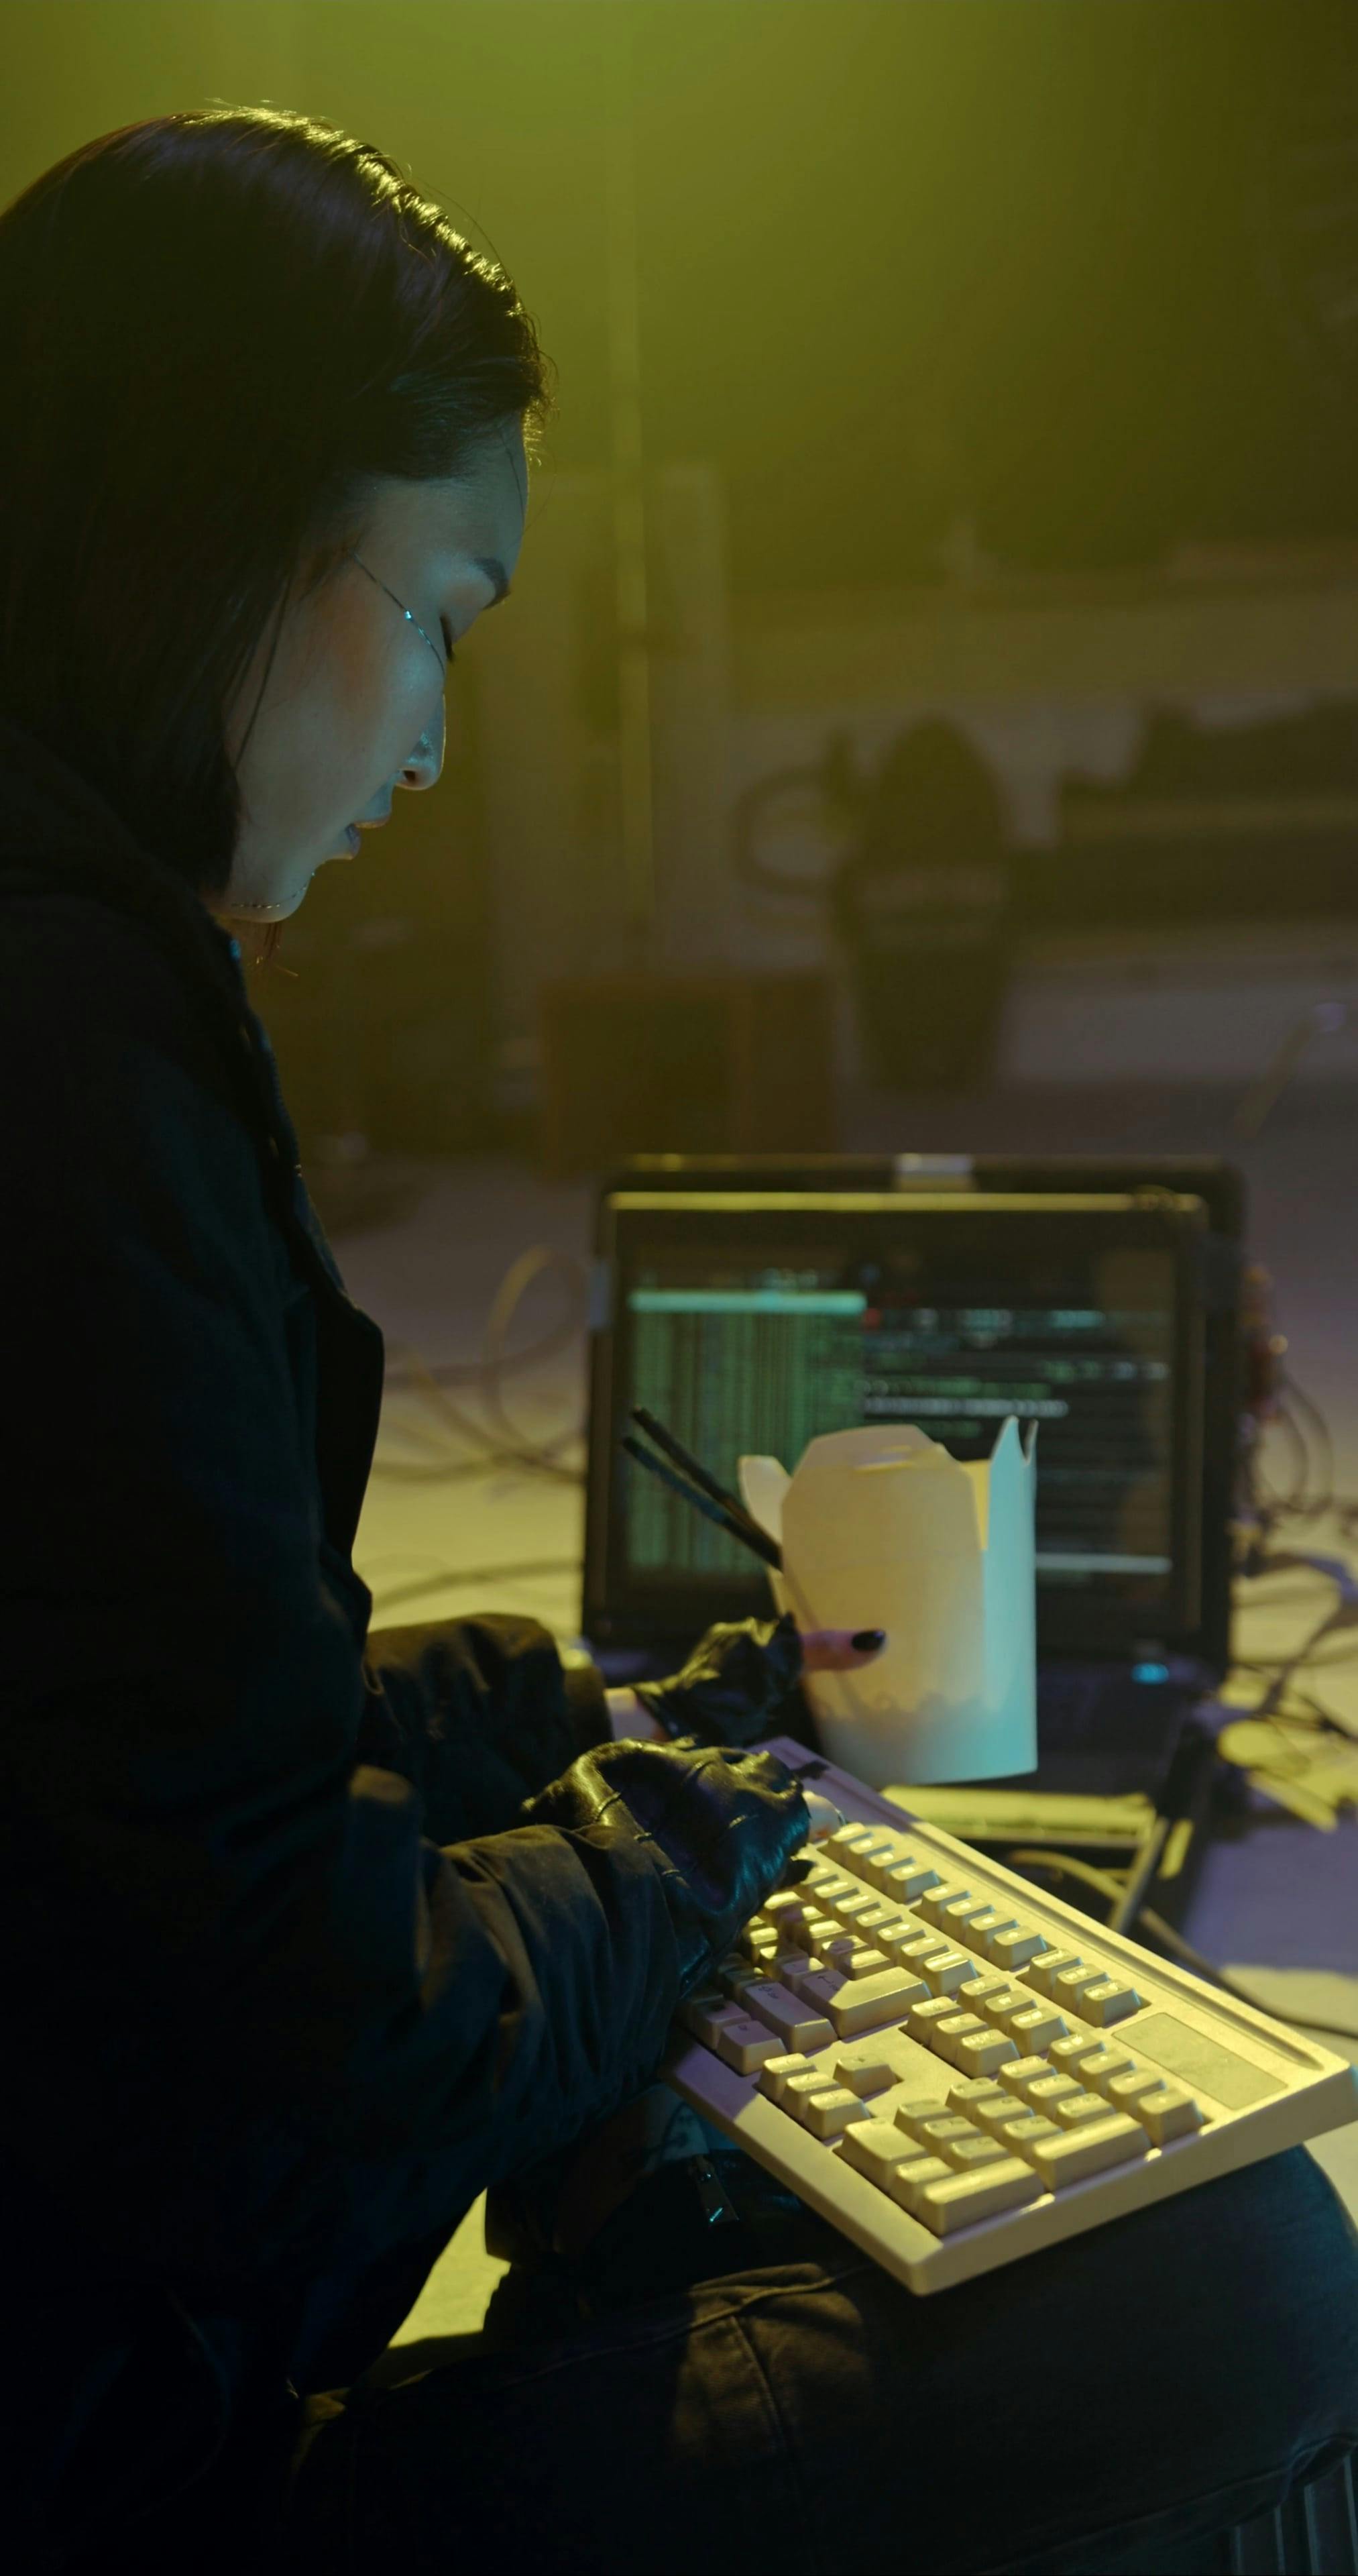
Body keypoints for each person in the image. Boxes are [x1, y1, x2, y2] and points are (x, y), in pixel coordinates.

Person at [0, 107, 1354, 2576]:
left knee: (647, 1985)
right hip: (115, 2476)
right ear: (215, 535)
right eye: (437, 612)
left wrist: (514, 1716)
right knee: (1248, 2286)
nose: (432, 740)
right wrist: (690, 1828)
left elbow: (109, 1758)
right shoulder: (76, 1054)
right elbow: (316, 2023)